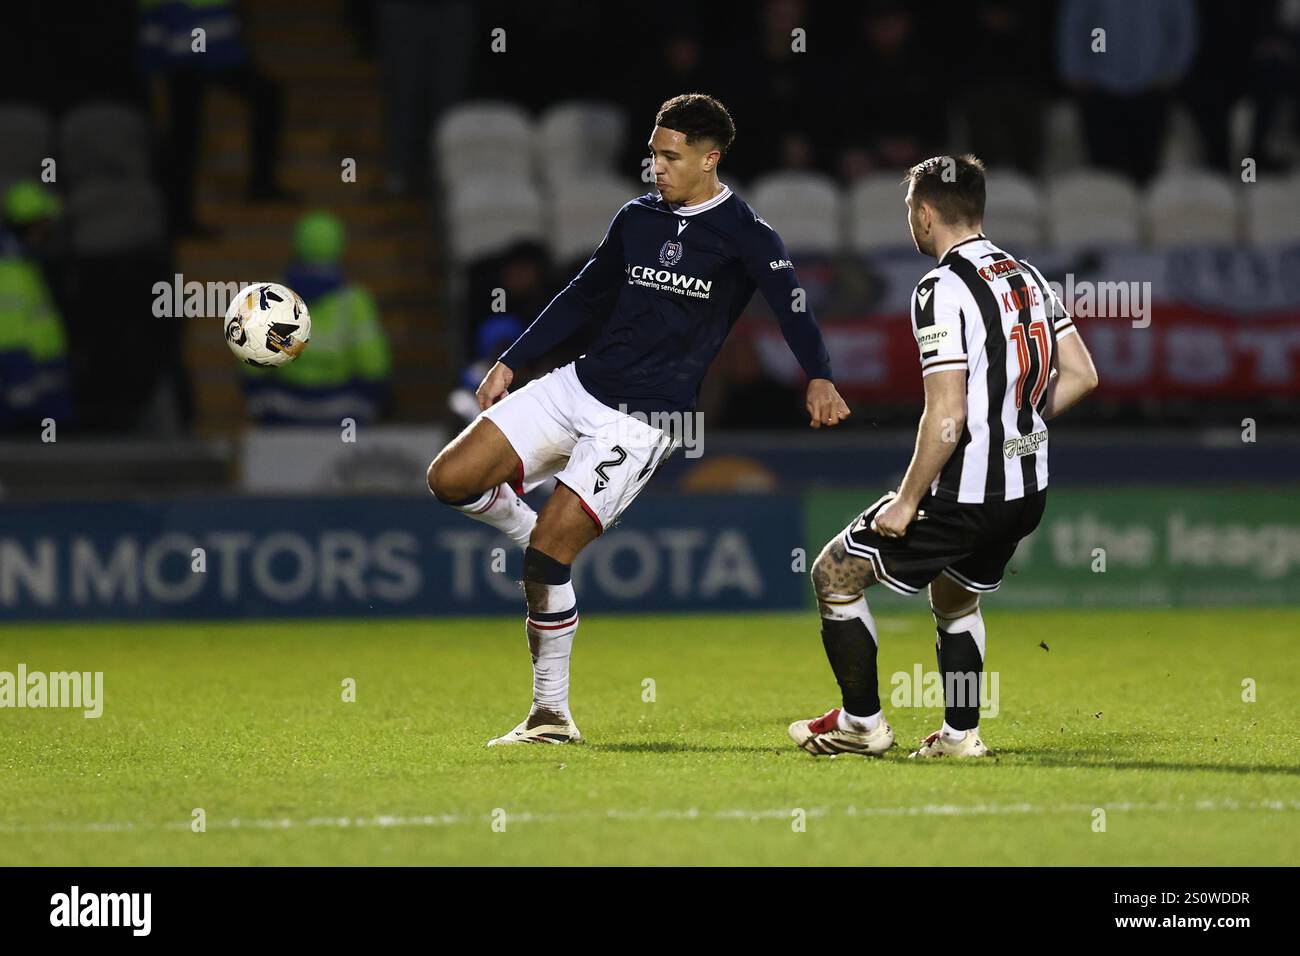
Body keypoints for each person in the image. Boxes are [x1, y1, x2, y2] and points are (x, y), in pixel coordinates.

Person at [426, 93, 850, 746]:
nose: (656, 167)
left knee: (548, 558)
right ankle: (524, 519)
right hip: (577, 386)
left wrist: (818, 375)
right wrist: (513, 361)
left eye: (670, 156)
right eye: (652, 153)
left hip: (645, 421)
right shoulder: (636, 218)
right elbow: (584, 293)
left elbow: (791, 305)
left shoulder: (747, 235)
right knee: (448, 477)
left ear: (711, 159)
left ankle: (550, 715)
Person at [788, 155, 1098, 759]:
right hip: (1025, 489)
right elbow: (1083, 375)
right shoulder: (1030, 276)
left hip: (967, 493)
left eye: (910, 210)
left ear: (924, 214)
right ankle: (959, 736)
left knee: (834, 576)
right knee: (956, 598)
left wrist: (906, 503)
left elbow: (948, 415)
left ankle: (861, 727)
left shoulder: (940, 287)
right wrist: (1014, 421)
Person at [241, 211, 391, 425]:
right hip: (342, 408)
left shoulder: (269, 294)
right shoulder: (355, 299)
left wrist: (258, 397)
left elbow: (251, 365)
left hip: (280, 408)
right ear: (340, 245)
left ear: (297, 242)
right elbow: (373, 365)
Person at [0, 181, 73, 431]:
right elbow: (11, 328)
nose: (49, 229)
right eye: (45, 222)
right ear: (31, 223)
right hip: (20, 373)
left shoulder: (27, 261)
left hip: (36, 372)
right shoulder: (10, 267)